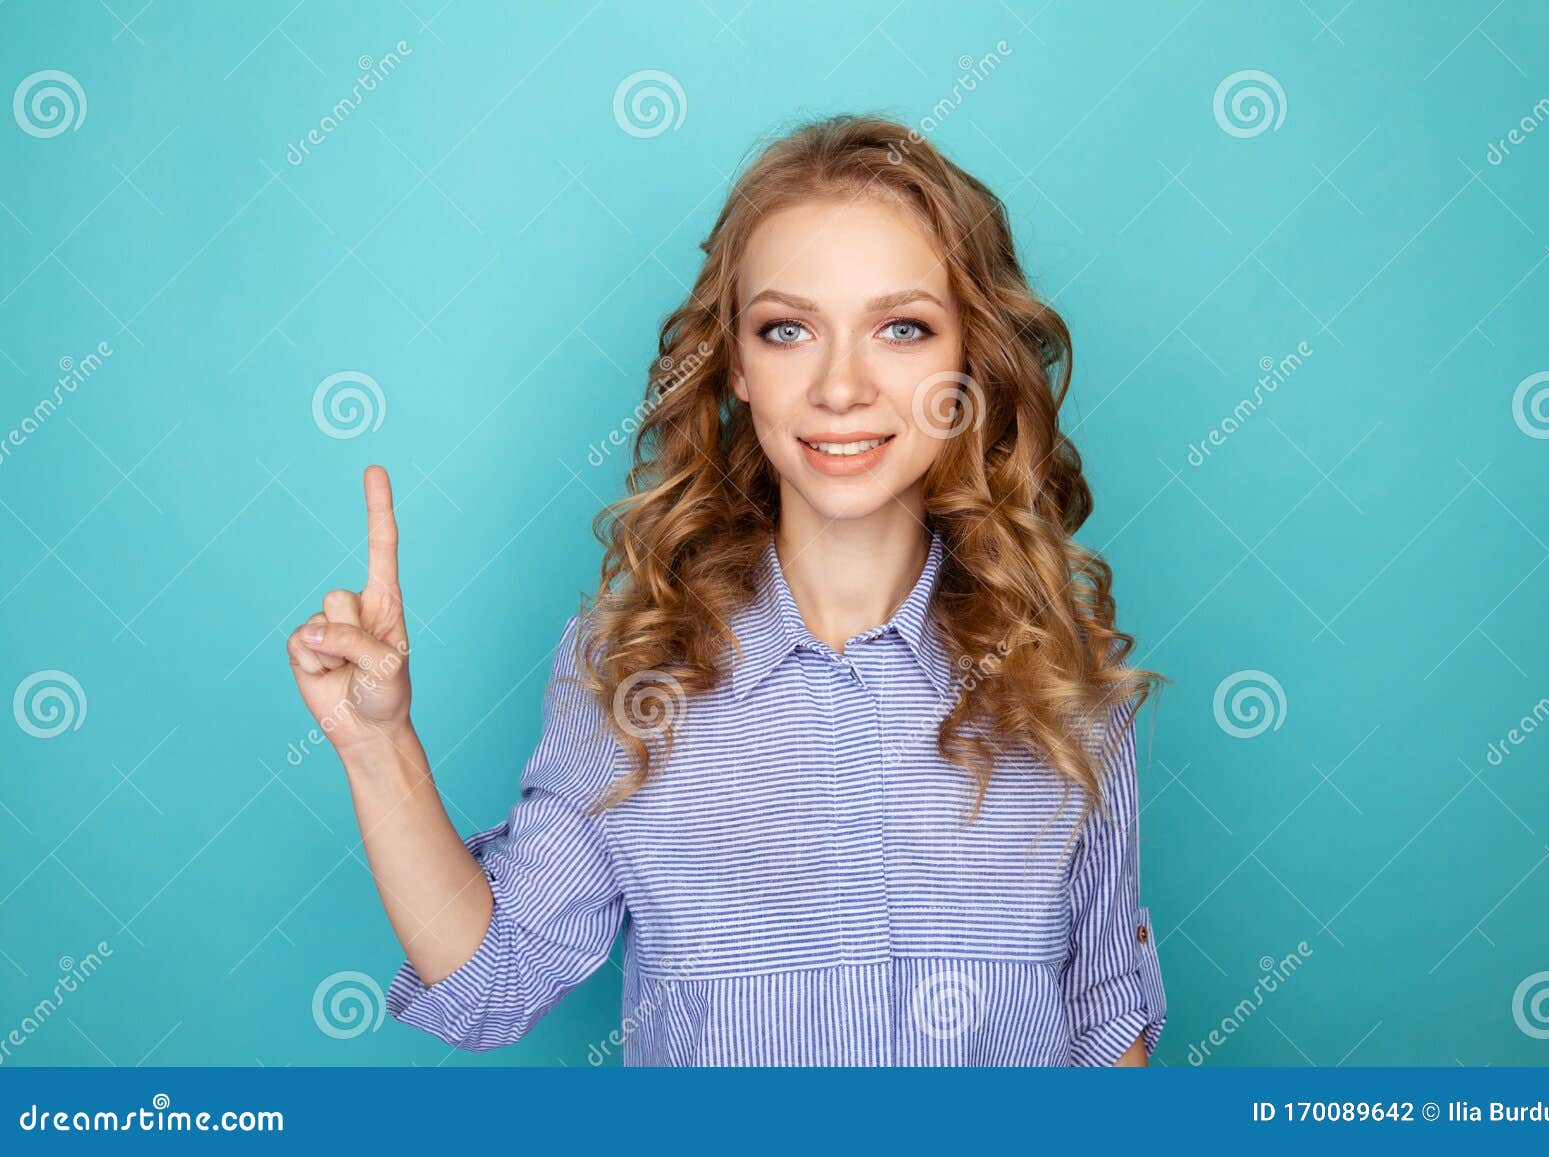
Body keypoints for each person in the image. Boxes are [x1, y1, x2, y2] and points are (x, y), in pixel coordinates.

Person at [285, 113, 1168, 1066]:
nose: (840, 386)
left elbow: (1106, 1026)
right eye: (788, 330)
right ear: (738, 367)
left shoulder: (1054, 676)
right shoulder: (631, 667)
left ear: (969, 362)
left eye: (901, 328)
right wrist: (378, 745)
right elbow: (491, 982)